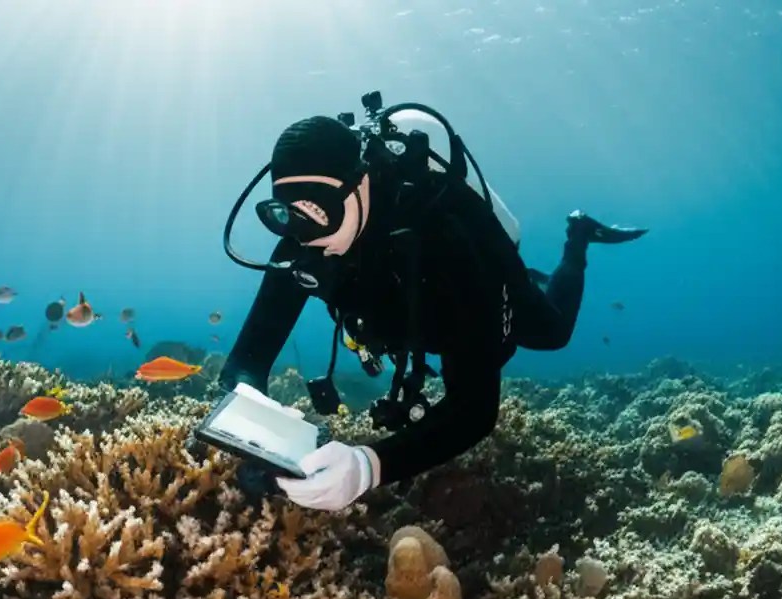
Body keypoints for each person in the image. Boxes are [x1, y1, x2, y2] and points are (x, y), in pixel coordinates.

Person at [218, 93, 646, 512]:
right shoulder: (302, 241)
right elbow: (247, 359)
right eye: (284, 215)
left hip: (471, 285)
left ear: (361, 182)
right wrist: (254, 415)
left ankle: (578, 238)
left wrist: (368, 466)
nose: (304, 236)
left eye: (319, 211)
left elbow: (476, 410)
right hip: (417, 313)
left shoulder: (443, 236)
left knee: (553, 333)